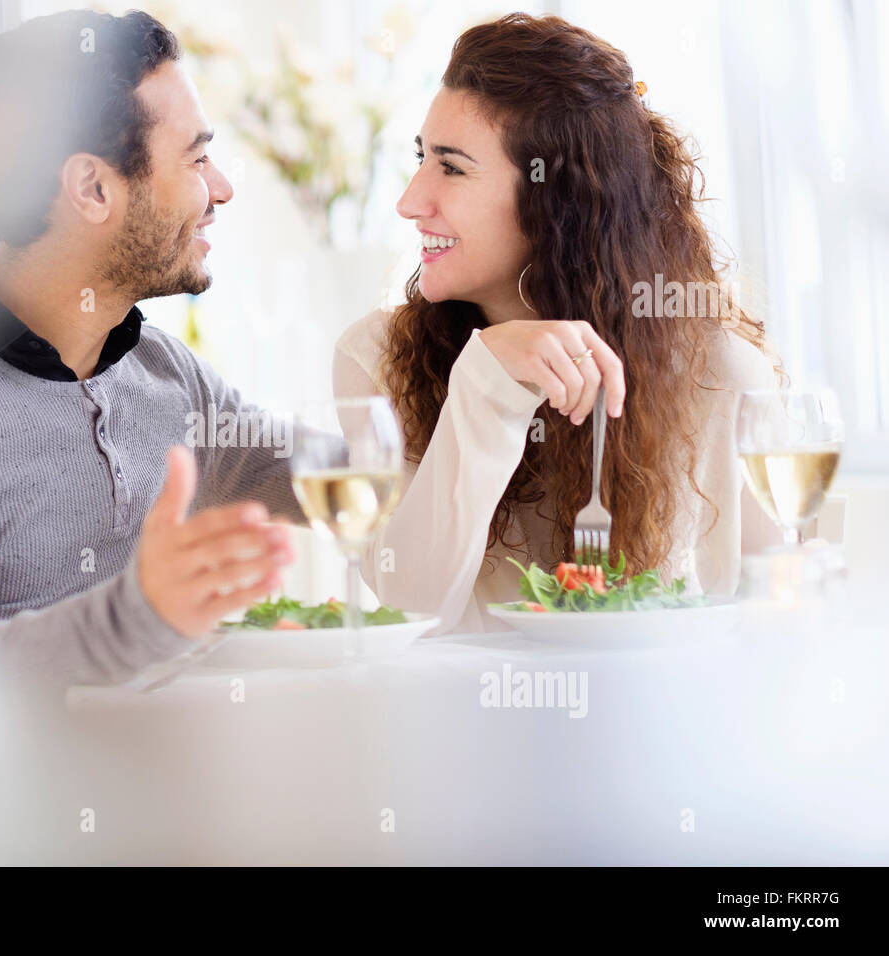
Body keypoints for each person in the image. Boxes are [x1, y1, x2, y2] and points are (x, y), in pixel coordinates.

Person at [0, 10, 303, 686]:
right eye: (196, 158)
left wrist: (486, 375)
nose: (220, 188)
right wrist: (137, 617)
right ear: (93, 189)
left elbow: (344, 481)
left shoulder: (167, 373)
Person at [334, 13, 784, 634]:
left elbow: (774, 617)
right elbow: (404, 612)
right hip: (451, 727)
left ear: (556, 201)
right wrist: (484, 387)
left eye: (453, 167)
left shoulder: (716, 372)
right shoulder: (374, 358)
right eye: (421, 158)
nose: (410, 201)